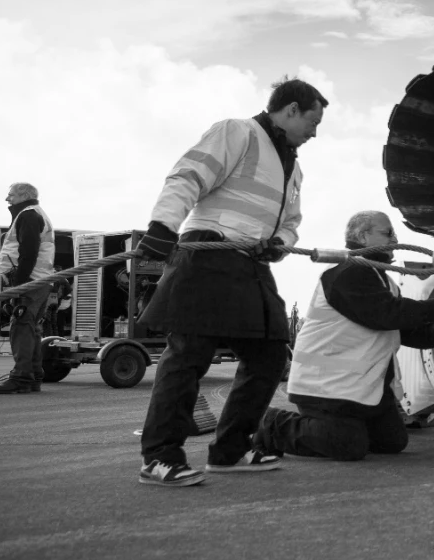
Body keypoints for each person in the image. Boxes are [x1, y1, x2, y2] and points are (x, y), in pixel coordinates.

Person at [133, 77, 327, 487]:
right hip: (207, 252)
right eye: (313, 120)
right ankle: (159, 457)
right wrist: (163, 224)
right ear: (291, 109)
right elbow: (188, 175)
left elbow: (291, 223)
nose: (315, 131)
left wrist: (280, 242)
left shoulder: (295, 169)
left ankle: (230, 450)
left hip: (251, 264)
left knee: (271, 356)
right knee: (189, 355)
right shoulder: (237, 132)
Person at [256, 211, 434, 462]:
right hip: (325, 389)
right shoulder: (348, 272)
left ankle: (345, 428)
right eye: (387, 232)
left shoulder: (380, 279)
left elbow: (398, 327)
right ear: (363, 236)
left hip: (358, 389)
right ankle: (271, 424)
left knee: (392, 442)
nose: (394, 238)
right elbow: (384, 314)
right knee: (348, 446)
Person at [0, 183, 55, 394]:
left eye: (11, 195)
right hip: (41, 280)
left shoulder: (28, 215)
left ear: (24, 196)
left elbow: (28, 252)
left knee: (21, 326)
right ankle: (33, 376)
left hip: (31, 281)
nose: (7, 199)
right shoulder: (34, 214)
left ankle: (22, 377)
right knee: (31, 328)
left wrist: (19, 284)